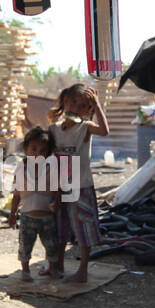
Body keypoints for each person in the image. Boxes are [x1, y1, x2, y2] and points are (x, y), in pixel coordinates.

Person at [48, 84, 109, 283]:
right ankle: (57, 265)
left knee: (84, 228)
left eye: (83, 105)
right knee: (60, 228)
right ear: (64, 101)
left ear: (88, 110)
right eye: (73, 101)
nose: (76, 107)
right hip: (61, 187)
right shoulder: (54, 130)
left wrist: (98, 104)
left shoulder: (86, 127)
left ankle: (82, 270)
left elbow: (105, 131)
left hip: (81, 187)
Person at [8, 127, 61, 281]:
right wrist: (12, 215)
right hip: (27, 217)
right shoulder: (20, 170)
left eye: (43, 151)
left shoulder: (51, 169)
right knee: (25, 245)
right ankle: (25, 271)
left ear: (49, 152)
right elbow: (16, 196)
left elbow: (57, 190)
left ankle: (52, 268)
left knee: (51, 245)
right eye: (34, 149)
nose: (38, 153)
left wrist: (56, 203)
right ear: (25, 149)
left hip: (47, 217)